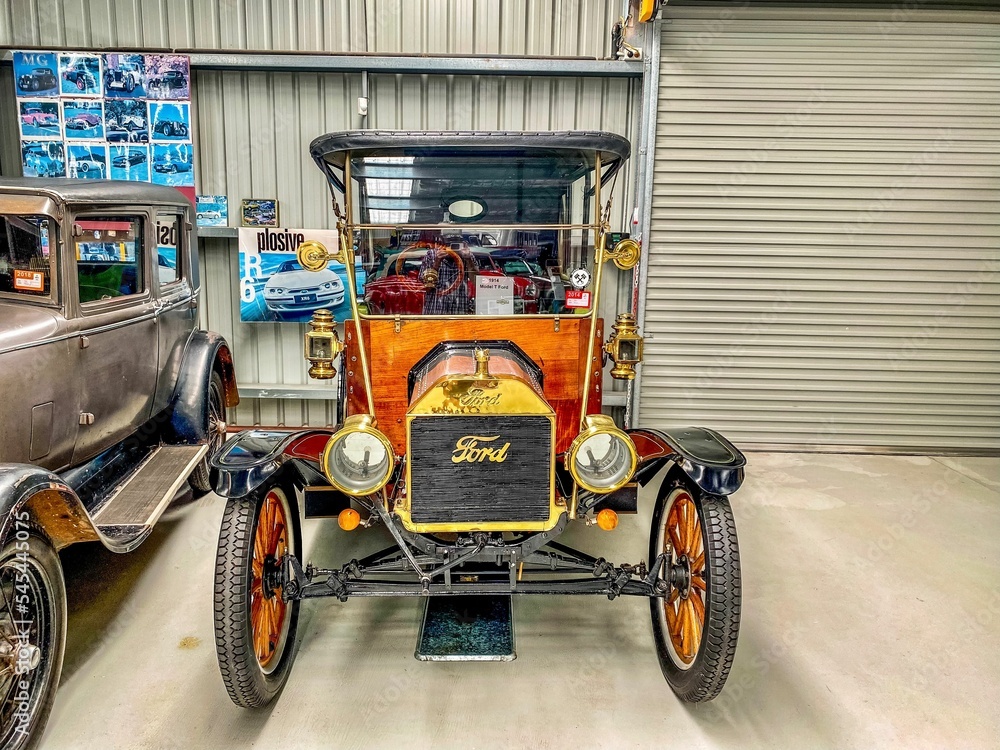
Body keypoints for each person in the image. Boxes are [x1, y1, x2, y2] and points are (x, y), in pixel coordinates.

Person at [418, 236, 479, 315]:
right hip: (435, 312)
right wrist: (436, 264)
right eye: (448, 244)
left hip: (458, 312)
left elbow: (476, 282)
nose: (452, 247)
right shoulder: (432, 255)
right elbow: (426, 287)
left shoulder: (467, 256)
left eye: (456, 244)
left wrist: (468, 259)